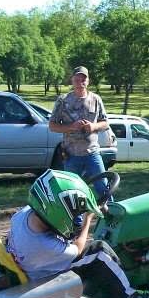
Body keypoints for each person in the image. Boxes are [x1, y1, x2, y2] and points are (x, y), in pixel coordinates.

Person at [5, 169, 149, 298]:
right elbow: (78, 249)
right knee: (99, 251)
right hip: (47, 277)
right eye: (72, 212)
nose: (74, 215)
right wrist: (87, 220)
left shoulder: (22, 215)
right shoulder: (43, 245)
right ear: (58, 212)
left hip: (31, 264)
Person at [49, 66, 111, 202]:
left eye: (84, 78)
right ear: (72, 80)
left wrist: (93, 126)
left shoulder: (96, 99)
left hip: (92, 153)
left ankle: (112, 216)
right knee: (72, 192)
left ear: (88, 81)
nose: (80, 81)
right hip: (71, 155)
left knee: (104, 187)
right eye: (77, 78)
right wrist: (71, 127)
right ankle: (76, 222)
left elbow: (105, 123)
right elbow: (52, 126)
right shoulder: (63, 100)